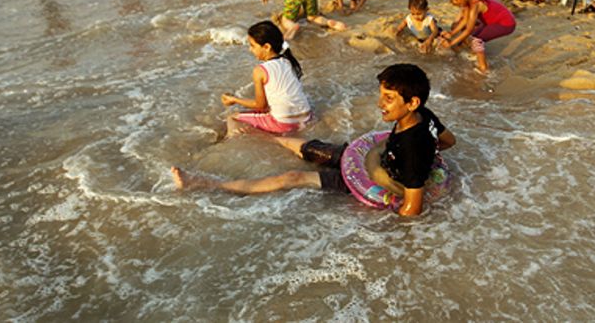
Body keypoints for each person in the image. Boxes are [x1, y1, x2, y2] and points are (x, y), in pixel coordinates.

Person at [171, 64, 456, 217]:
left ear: (412, 101)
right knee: (307, 146)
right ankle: (267, 137)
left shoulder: (413, 151)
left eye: (390, 99)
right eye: (381, 94)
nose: (381, 104)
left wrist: (381, 209)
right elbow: (448, 141)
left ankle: (207, 184)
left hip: (372, 179)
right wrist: (432, 150)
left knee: (293, 176)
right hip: (371, 160)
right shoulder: (425, 115)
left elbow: (412, 208)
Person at [219, 20, 312, 135]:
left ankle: (230, 144)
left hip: (284, 123)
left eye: (252, 46)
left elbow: (261, 106)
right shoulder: (288, 61)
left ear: (267, 47)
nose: (250, 50)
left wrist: (234, 99)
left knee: (233, 117)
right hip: (306, 117)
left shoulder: (260, 70)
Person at [440, 0, 516, 73]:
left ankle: (483, 68)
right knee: (471, 35)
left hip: (506, 23)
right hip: (492, 22)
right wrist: (452, 33)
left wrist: (451, 43)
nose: (453, 2)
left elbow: (468, 30)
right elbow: (465, 21)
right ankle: (471, 53)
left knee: (476, 39)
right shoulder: (469, 2)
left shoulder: (476, 4)